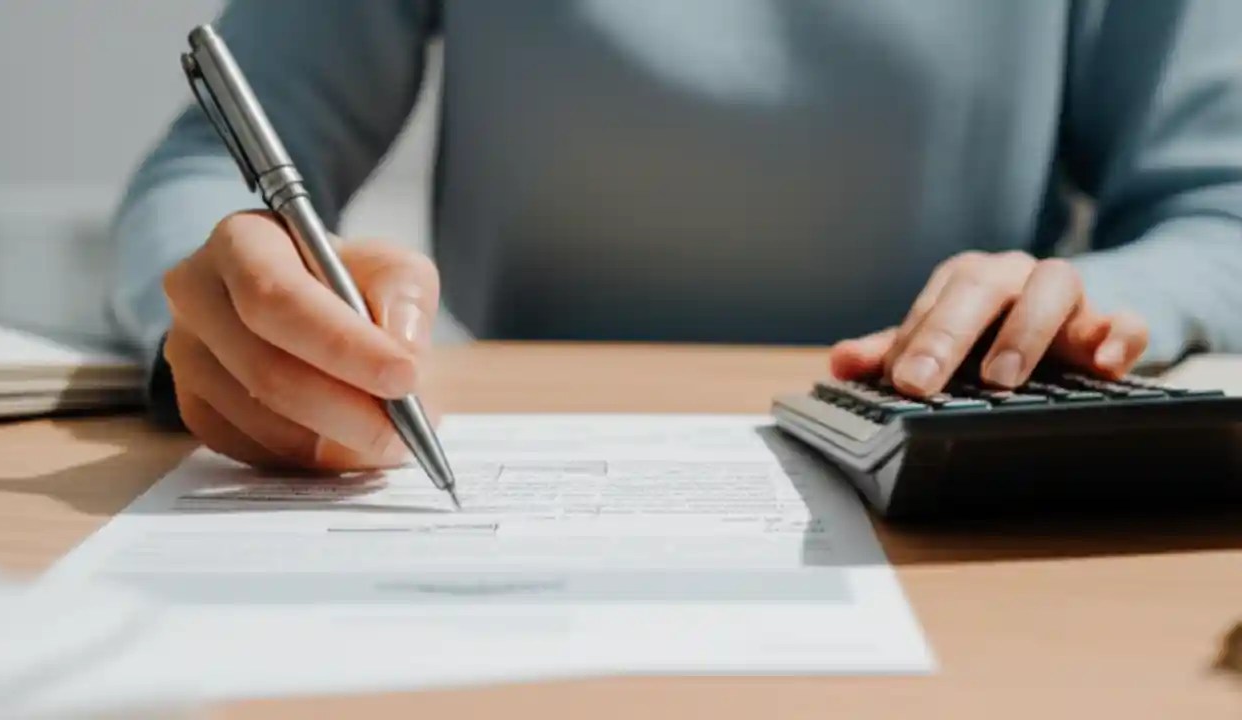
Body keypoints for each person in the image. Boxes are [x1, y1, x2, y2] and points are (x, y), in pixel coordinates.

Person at [110, 1, 1242, 471]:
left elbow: (1219, 213)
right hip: (515, 461)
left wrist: (1099, 306)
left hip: (953, 490)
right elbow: (208, 168)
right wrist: (232, 290)